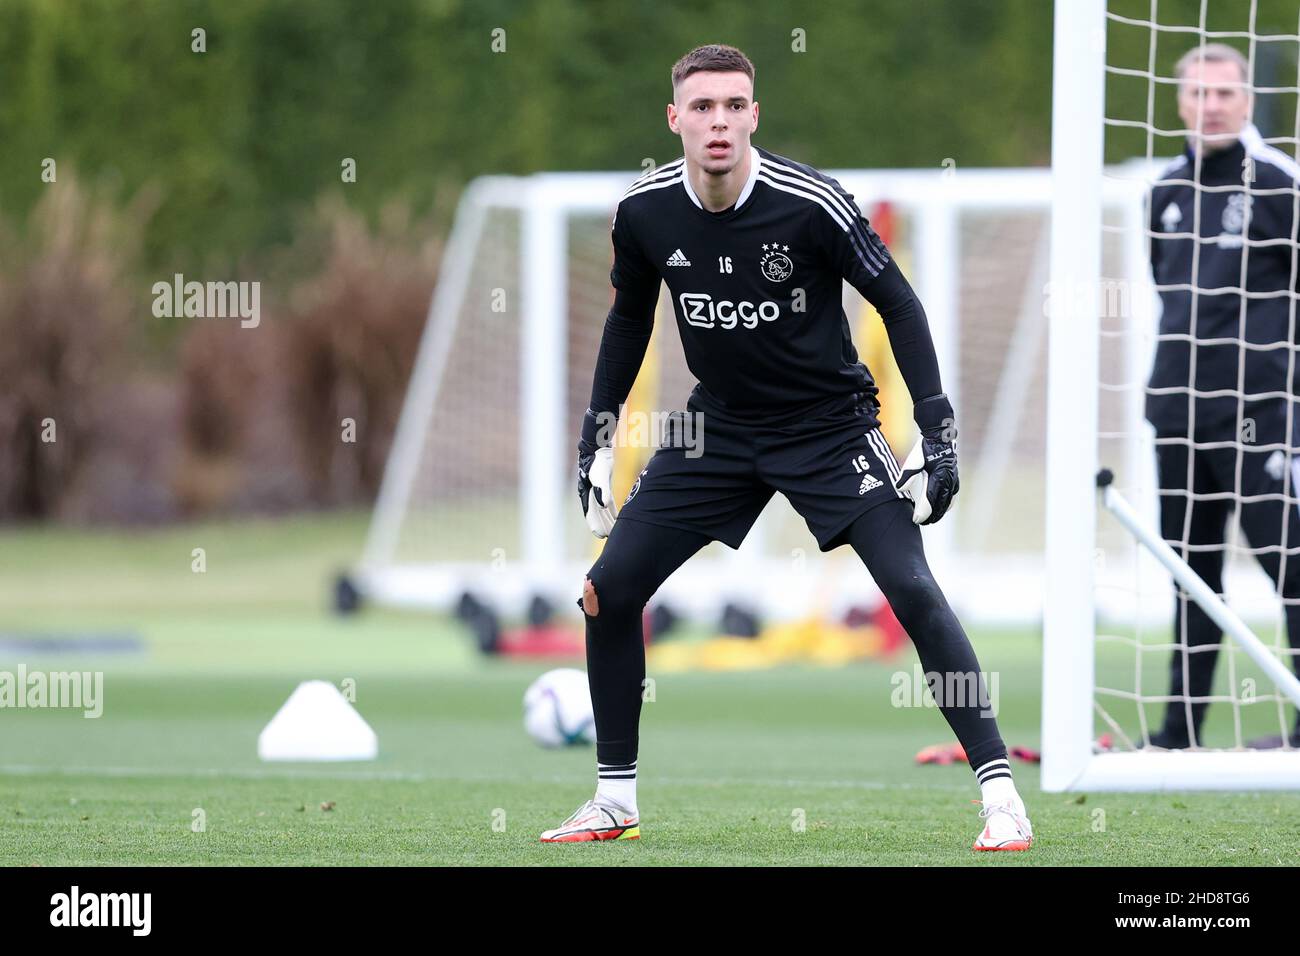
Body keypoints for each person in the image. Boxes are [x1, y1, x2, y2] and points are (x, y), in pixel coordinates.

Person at [540, 44, 1032, 850]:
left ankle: (1000, 793)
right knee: (606, 590)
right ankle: (615, 800)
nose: (720, 121)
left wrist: (938, 436)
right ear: (675, 120)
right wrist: (598, 434)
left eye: (735, 105)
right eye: (702, 107)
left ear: (755, 116)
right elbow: (629, 319)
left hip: (829, 425)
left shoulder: (815, 204)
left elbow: (899, 307)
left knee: (910, 589)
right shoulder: (644, 213)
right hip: (720, 428)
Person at [1145, 43, 1300, 749]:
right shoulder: (1165, 191)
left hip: (1260, 413)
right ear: (1178, 101)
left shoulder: (1277, 184)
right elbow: (1167, 291)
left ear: (1246, 102)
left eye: (1224, 94)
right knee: (1191, 576)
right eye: (1198, 94)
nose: (1210, 106)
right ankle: (1179, 734)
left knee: (1288, 561)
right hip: (1176, 413)